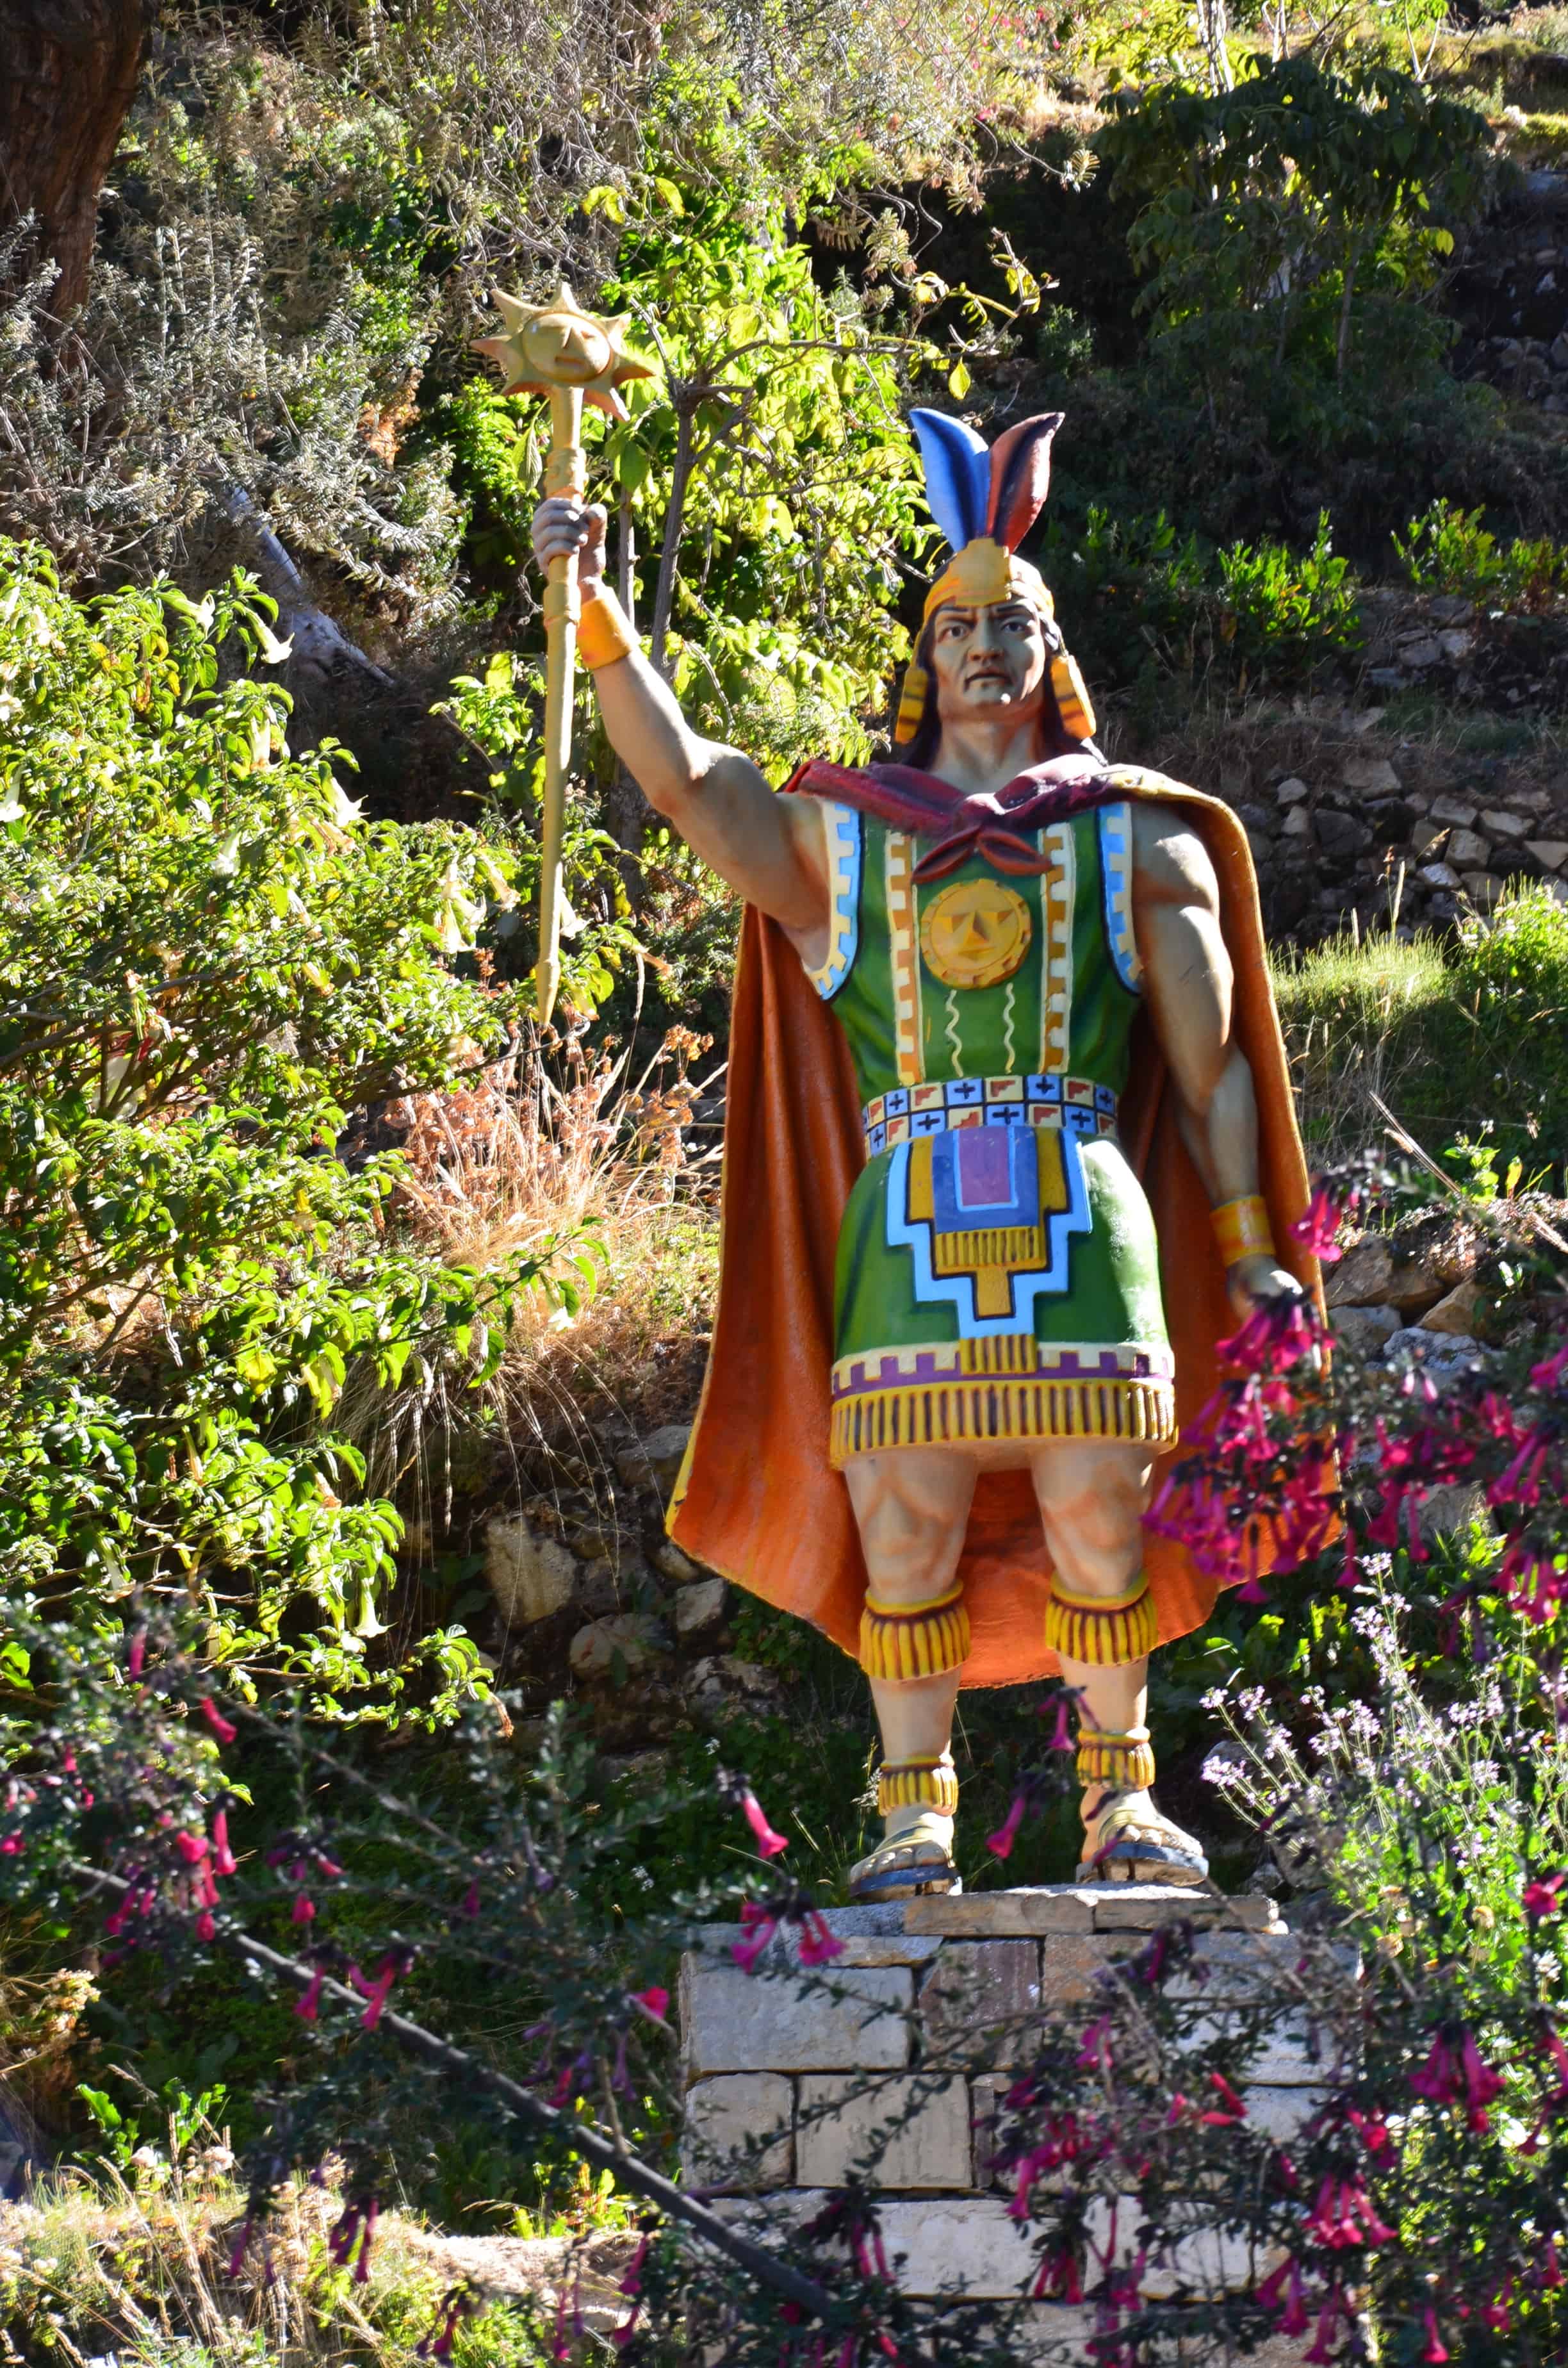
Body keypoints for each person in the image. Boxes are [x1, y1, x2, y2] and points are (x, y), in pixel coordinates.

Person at [532, 407, 1318, 1902]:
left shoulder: (1140, 839)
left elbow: (1211, 1070)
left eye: (1011, 622)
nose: (983, 644)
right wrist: (598, 618)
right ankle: (911, 1823)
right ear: (922, 657)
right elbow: (689, 785)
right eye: (955, 624)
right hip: (907, 1215)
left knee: (1102, 1511)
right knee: (905, 1524)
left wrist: (1245, 1243)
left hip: (1085, 1209)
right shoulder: (847, 841)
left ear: (1053, 654)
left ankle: (1123, 1803)